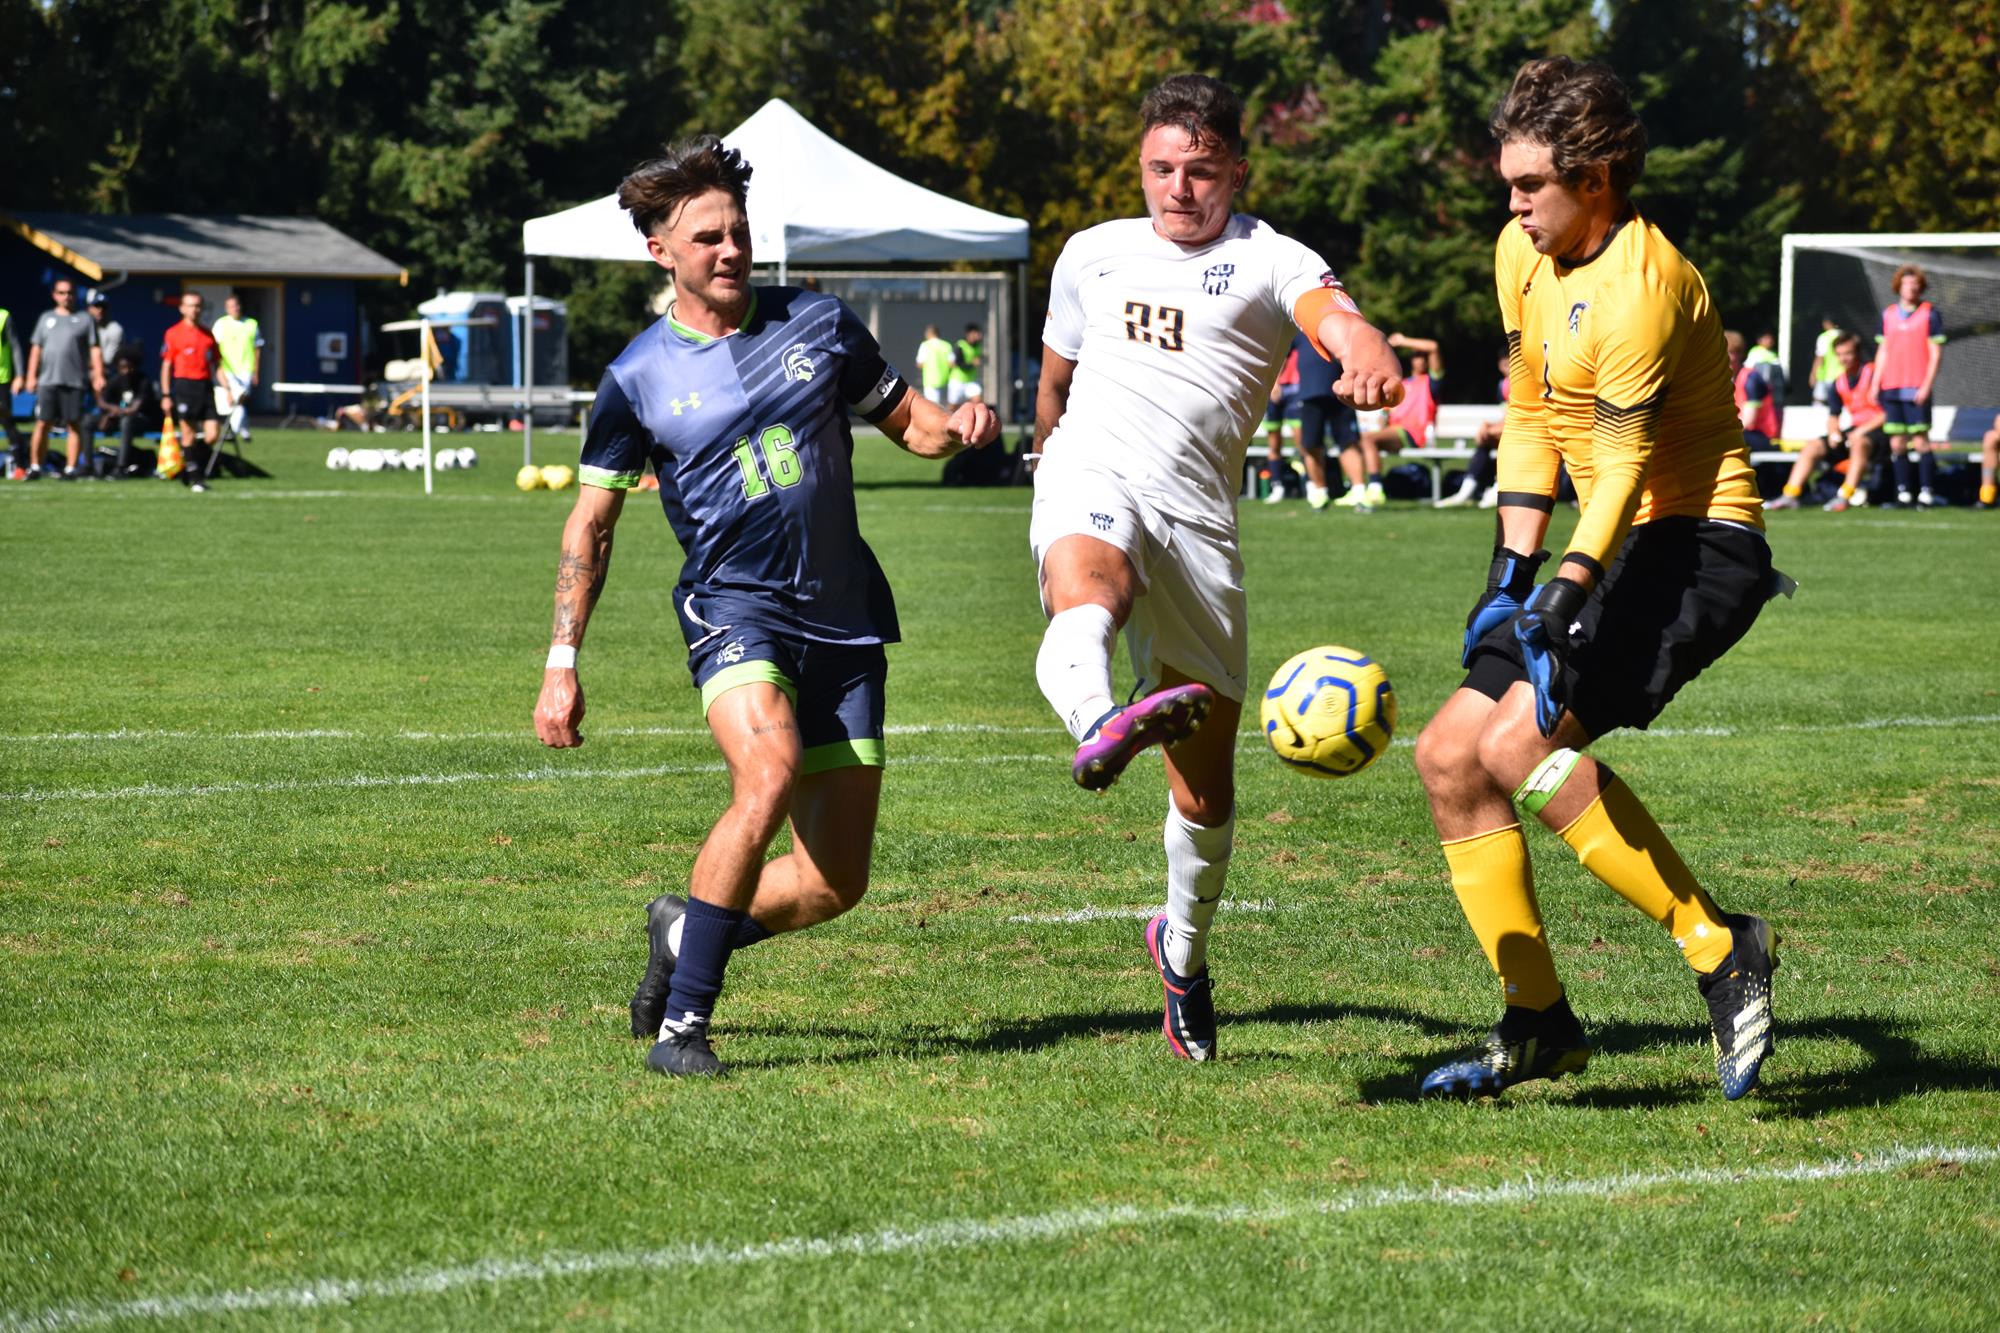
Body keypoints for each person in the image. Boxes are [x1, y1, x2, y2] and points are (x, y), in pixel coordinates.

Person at [531, 135, 999, 1079]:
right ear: (661, 252)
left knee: (834, 883)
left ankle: (685, 933)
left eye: (738, 231)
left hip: (848, 615)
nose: (730, 249)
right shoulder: (636, 378)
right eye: (707, 237)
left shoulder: (821, 324)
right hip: (735, 609)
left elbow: (911, 422)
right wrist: (561, 663)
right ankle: (682, 1031)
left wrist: (961, 429)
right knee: (768, 773)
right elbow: (593, 523)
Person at [1412, 57, 1782, 1103]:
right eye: (1507, 183)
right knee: (1447, 756)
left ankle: (1720, 945)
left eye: (1531, 184)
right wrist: (1507, 575)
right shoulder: (1518, 255)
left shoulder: (1642, 287)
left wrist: (1564, 591)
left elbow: (1620, 468)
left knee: (1515, 746)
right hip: (1600, 535)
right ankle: (1536, 1020)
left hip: (1693, 542)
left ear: (1599, 176)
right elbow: (1531, 417)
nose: (1513, 204)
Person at [1031, 74, 1402, 1062]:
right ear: (1139, 167)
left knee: (1202, 793)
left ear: (1235, 167)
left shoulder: (1270, 259)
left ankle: (1182, 954)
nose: (1178, 189)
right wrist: (1041, 464)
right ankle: (1097, 722)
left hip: (1197, 520)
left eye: (1199, 170)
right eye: (1160, 168)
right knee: (1088, 592)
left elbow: (1335, 317)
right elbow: (1056, 376)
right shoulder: (1091, 254)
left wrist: (1363, 355)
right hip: (1089, 470)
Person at [1773, 333, 1882, 511]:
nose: (1843, 358)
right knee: (1813, 445)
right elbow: (1833, 416)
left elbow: (1888, 414)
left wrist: (1860, 432)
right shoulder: (1839, 382)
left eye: (1848, 353)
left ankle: (1845, 496)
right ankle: (1790, 495)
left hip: (1878, 433)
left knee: (1859, 443)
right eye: (1839, 354)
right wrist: (1834, 433)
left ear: (1858, 353)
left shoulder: (1874, 374)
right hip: (1855, 431)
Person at [1869, 264, 1946, 507]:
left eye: (1914, 284)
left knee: (1921, 440)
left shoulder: (1929, 313)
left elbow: (1935, 353)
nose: (1910, 288)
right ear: (1899, 287)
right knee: (1897, 442)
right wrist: (1875, 383)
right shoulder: (1888, 314)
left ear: (1920, 287)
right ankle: (1902, 492)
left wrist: (1926, 385)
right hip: (1892, 386)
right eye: (1906, 283)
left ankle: (1926, 491)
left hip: (1916, 386)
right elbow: (1883, 350)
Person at [1341, 332, 1441, 509]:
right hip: (1395, 430)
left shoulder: (1431, 383)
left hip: (1413, 434)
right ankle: (1358, 487)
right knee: (1357, 440)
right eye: (1416, 357)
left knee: (1368, 439)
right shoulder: (1402, 383)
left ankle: (1375, 488)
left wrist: (1403, 341)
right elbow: (1387, 414)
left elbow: (1433, 347)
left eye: (1422, 357)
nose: (1419, 360)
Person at [22, 277, 105, 480]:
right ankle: (35, 466)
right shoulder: (46, 318)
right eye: (61, 293)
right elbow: (36, 349)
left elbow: (95, 349)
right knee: (43, 423)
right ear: (54, 295)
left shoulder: (85, 319)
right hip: (48, 380)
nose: (66, 296)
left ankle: (70, 468)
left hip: (74, 380)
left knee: (73, 424)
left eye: (69, 293)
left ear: (75, 296)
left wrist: (99, 374)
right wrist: (31, 375)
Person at [159, 291, 223, 492]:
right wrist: (166, 394)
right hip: (185, 386)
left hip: (205, 386)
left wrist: (228, 388)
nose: (194, 310)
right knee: (188, 434)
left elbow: (217, 364)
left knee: (212, 434)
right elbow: (167, 366)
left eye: (197, 306)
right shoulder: (173, 333)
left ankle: (189, 463)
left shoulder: (207, 334)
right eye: (190, 306)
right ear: (182, 308)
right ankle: (196, 478)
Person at [1285, 330, 1355, 510]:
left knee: (1348, 442)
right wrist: (1275, 382)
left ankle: (1359, 491)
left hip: (1341, 392)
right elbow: (1280, 355)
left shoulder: (1340, 323)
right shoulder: (1299, 331)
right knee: (1310, 445)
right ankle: (1319, 492)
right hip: (1310, 395)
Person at [1437, 351, 1508, 509]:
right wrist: (1488, 427)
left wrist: (1490, 429)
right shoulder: (1503, 385)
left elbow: (1522, 417)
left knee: (1505, 441)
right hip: (1512, 428)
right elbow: (1509, 414)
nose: (1506, 363)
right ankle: (1465, 491)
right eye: (1503, 360)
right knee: (1485, 442)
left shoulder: (1523, 381)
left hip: (1527, 431)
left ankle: (1501, 488)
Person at [96, 348, 160, 477]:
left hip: (142, 420)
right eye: (122, 368)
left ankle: (121, 467)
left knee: (127, 421)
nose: (125, 371)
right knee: (87, 421)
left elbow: (135, 409)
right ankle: (87, 465)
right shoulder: (116, 380)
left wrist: (114, 412)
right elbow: (102, 402)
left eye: (128, 367)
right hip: (119, 417)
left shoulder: (143, 381)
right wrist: (109, 413)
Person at [211, 292, 264, 442]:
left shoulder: (251, 324)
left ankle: (234, 431)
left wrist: (256, 371)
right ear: (227, 309)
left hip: (245, 368)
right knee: (235, 399)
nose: (235, 309)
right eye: (231, 306)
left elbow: (257, 348)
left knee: (239, 399)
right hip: (227, 368)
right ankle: (240, 430)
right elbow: (215, 347)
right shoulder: (221, 324)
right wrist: (218, 367)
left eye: (237, 305)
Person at [1258, 343, 1301, 502]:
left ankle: (1310, 486)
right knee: (1274, 443)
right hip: (1274, 390)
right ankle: (1277, 486)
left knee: (1302, 443)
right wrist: (1274, 383)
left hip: (1295, 389)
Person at [1727, 330, 1779, 451]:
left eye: (1730, 353)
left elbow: (1749, 421)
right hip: (1744, 434)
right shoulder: (1730, 380)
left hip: (1762, 436)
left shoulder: (1751, 379)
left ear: (1739, 354)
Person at [0, 303, 23, 466]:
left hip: (1, 379)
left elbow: (15, 346)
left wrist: (20, 375)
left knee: (7, 422)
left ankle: (19, 463)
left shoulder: (3, 316)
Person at [914, 324, 955, 405]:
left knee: (933, 406)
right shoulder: (947, 345)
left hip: (930, 381)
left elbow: (920, 364)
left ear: (929, 333)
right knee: (945, 406)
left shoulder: (925, 345)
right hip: (945, 380)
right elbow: (952, 364)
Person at [948, 322, 985, 405]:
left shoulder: (978, 346)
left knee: (978, 401)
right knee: (953, 407)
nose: (978, 335)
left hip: (971, 381)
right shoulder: (960, 346)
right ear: (969, 334)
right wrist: (973, 363)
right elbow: (960, 364)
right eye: (975, 333)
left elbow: (979, 358)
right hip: (958, 381)